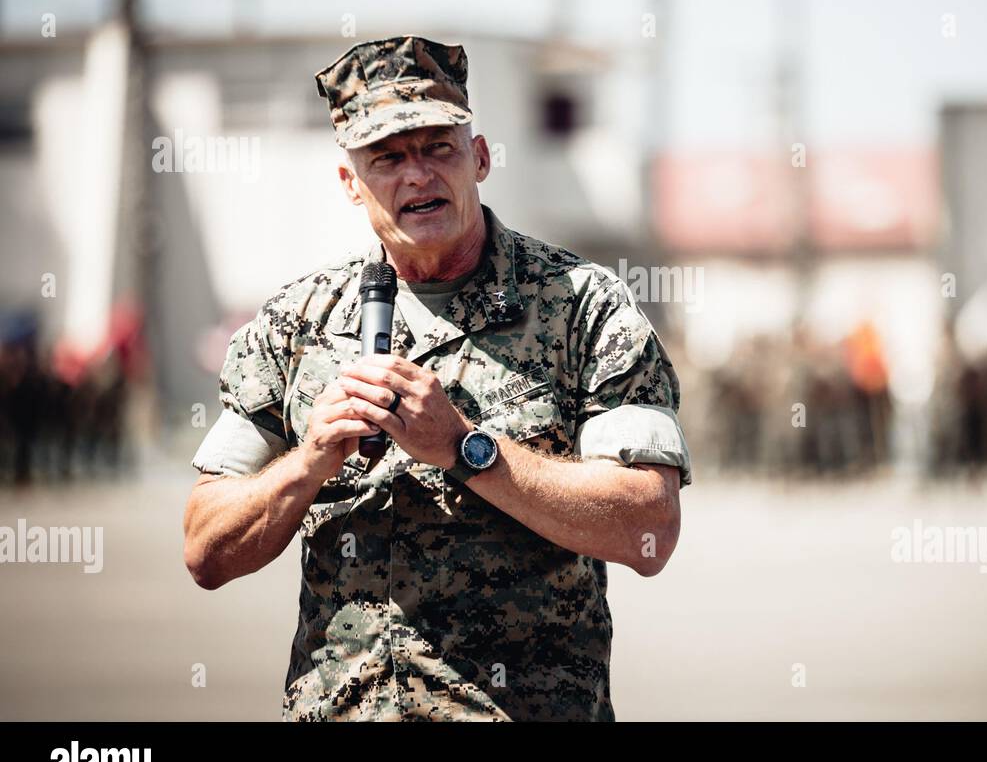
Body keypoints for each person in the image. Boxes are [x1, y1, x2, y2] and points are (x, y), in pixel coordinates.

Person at [183, 36, 691, 721]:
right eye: (387, 158)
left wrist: (466, 449)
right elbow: (206, 551)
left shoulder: (584, 307)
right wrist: (308, 462)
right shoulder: (294, 325)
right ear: (350, 183)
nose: (417, 176)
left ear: (479, 158)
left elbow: (648, 529)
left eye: (437, 148)